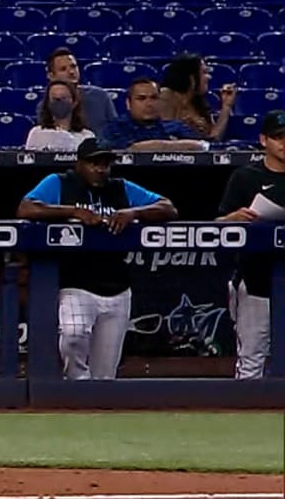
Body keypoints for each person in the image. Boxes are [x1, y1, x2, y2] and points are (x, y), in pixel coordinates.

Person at [17, 139, 178, 380]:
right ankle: (77, 387)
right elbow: (26, 208)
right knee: (73, 334)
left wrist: (133, 212)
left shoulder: (120, 188)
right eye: (94, 163)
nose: (101, 169)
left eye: (105, 164)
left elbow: (168, 208)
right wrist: (72, 211)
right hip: (75, 284)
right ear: (79, 163)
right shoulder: (60, 183)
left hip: (117, 287)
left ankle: (95, 406)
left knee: (105, 374)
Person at [216, 109, 285, 379]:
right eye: (278, 137)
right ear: (264, 140)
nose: (284, 144)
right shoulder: (246, 177)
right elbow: (218, 224)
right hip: (256, 280)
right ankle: (244, 415)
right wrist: (233, 218)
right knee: (252, 357)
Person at [102, 78, 212, 152]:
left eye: (154, 98)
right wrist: (175, 145)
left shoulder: (176, 126)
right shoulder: (115, 128)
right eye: (141, 98)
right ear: (128, 103)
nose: (149, 104)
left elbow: (202, 146)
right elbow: (130, 150)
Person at [160, 54, 235, 142]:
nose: (209, 77)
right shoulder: (166, 96)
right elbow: (164, 135)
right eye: (204, 72)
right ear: (191, 77)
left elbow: (213, 139)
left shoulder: (200, 103)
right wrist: (184, 128)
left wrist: (226, 106)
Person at [45, 48, 116, 137]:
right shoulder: (48, 103)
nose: (71, 72)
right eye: (63, 69)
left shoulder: (100, 96)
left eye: (73, 66)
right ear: (51, 76)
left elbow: (116, 130)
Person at [24, 80, 94, 152]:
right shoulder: (37, 133)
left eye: (63, 98)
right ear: (48, 103)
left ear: (74, 102)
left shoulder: (87, 136)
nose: (59, 102)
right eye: (55, 99)